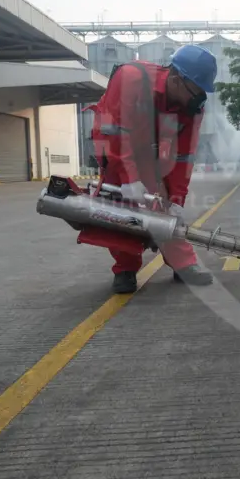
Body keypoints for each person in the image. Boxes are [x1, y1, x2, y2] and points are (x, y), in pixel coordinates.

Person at [85, 44, 218, 293]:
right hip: (113, 146)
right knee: (121, 208)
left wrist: (178, 198)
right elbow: (115, 133)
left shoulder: (192, 106)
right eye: (196, 90)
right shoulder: (132, 79)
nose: (199, 97)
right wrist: (129, 179)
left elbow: (185, 155)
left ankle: (182, 264)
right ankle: (125, 267)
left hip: (151, 149)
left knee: (165, 207)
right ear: (178, 78)